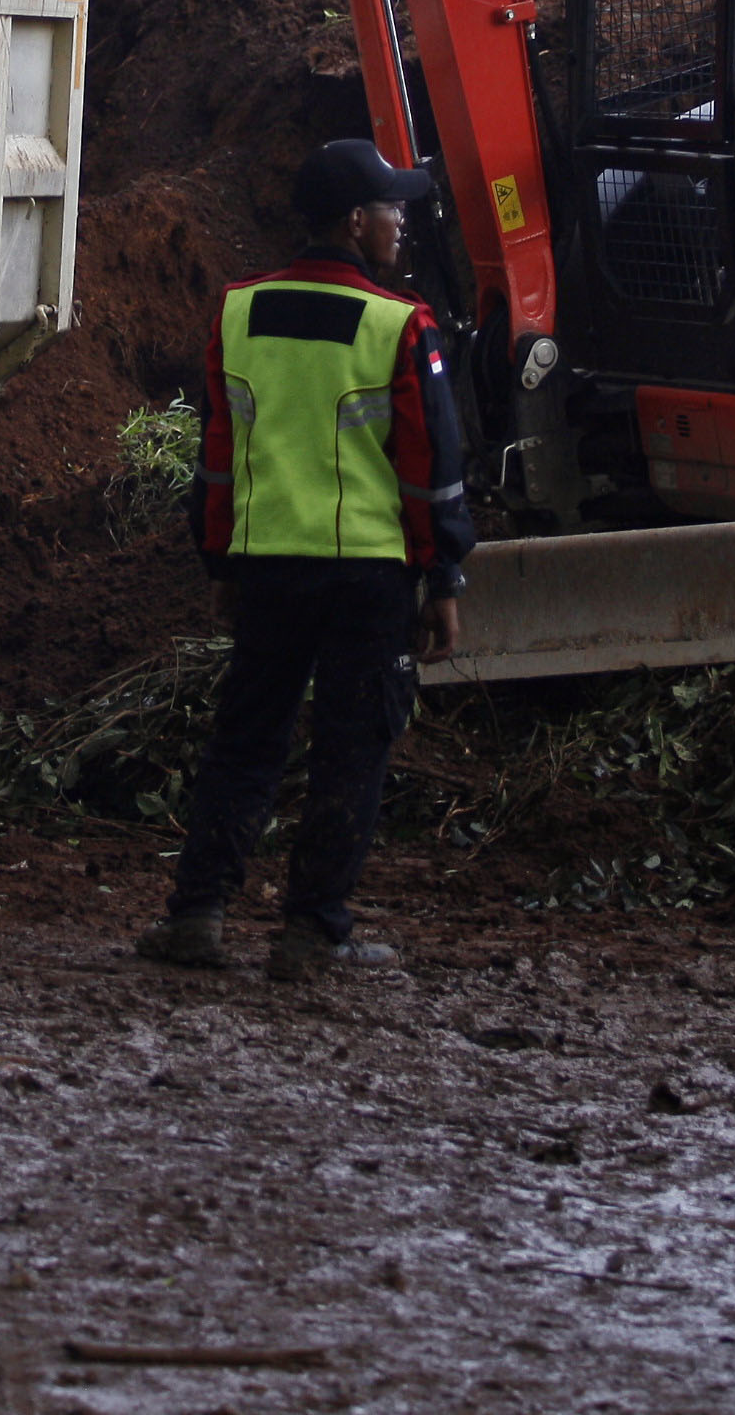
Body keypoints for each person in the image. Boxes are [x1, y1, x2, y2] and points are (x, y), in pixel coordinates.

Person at [137, 139, 473, 982]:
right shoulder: (401, 325)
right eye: (392, 209)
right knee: (350, 752)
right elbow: (432, 463)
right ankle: (313, 932)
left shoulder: (238, 312)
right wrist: (445, 575)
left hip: (266, 572)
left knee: (244, 744)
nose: (402, 222)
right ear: (357, 223)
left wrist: (219, 563)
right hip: (365, 577)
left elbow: (215, 455)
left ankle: (197, 917)